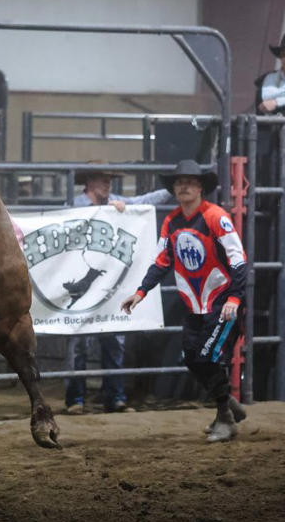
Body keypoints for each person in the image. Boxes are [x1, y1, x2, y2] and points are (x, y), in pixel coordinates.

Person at [120, 159, 247, 443]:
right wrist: (140, 293)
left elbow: (238, 261)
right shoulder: (172, 221)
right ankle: (226, 404)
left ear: (200, 187)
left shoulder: (215, 217)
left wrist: (236, 298)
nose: (183, 186)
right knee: (192, 358)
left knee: (206, 356)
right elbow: (161, 261)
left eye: (189, 182)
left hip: (222, 302)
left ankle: (226, 415)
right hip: (195, 306)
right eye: (179, 182)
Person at [64, 163, 173, 414]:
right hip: (87, 282)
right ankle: (76, 400)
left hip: (109, 285)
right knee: (80, 343)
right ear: (89, 182)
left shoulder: (115, 202)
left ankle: (114, 397)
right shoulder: (74, 207)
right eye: (103, 180)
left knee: (114, 340)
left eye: (109, 180)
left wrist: (170, 187)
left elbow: (144, 201)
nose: (107, 184)